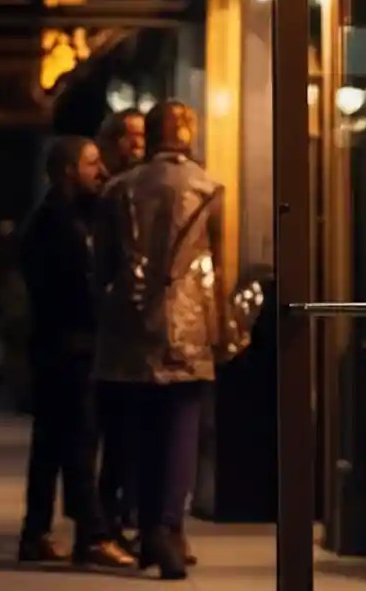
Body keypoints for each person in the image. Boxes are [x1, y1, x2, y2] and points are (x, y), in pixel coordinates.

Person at [94, 100, 237, 580]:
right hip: (188, 323)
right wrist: (223, 333)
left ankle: (141, 519)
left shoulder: (120, 189)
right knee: (181, 431)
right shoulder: (208, 187)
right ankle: (168, 525)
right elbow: (219, 267)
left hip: (129, 325)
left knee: (135, 430)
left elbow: (105, 267)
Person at [17, 136, 135, 569]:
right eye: (91, 164)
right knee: (80, 445)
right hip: (70, 350)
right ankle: (92, 535)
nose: (101, 171)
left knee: (50, 446)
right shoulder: (61, 226)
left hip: (55, 349)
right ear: (69, 170)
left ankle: (36, 533)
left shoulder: (56, 219)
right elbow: (77, 292)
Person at [93, 108, 146, 545]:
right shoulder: (107, 194)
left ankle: (129, 518)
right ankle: (106, 520)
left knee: (135, 437)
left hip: (146, 333)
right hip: (113, 335)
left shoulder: (144, 191)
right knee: (116, 437)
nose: (137, 145)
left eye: (143, 136)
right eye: (128, 136)